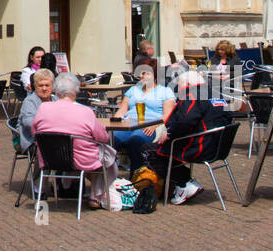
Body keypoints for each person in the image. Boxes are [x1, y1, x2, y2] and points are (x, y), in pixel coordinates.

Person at [31, 72, 117, 208]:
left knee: (90, 151)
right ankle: (95, 196)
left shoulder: (43, 108)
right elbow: (102, 137)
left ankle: (69, 185)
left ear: (56, 91)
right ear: (76, 91)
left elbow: (35, 133)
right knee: (103, 153)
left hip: (51, 159)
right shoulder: (85, 111)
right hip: (81, 159)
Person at [151, 70, 234, 204]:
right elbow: (229, 117)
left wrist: (169, 133)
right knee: (167, 148)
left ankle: (184, 184)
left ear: (189, 84)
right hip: (219, 147)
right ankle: (185, 183)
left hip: (201, 147)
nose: (179, 91)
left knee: (153, 151)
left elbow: (185, 120)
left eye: (180, 86)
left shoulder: (192, 94)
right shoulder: (217, 94)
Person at [111, 65, 175, 175]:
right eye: (141, 73)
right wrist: (114, 124)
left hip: (151, 125)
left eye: (146, 73)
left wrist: (155, 125)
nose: (142, 76)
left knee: (136, 140)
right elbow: (122, 111)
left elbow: (168, 115)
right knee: (111, 139)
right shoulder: (133, 90)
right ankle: (108, 180)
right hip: (128, 123)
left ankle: (136, 179)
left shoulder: (165, 91)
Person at [17, 68, 55, 151]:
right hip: (32, 140)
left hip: (54, 138)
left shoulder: (56, 99)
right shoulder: (29, 101)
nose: (44, 89)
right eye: (41, 85)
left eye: (47, 85)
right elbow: (29, 123)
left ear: (52, 86)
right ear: (35, 86)